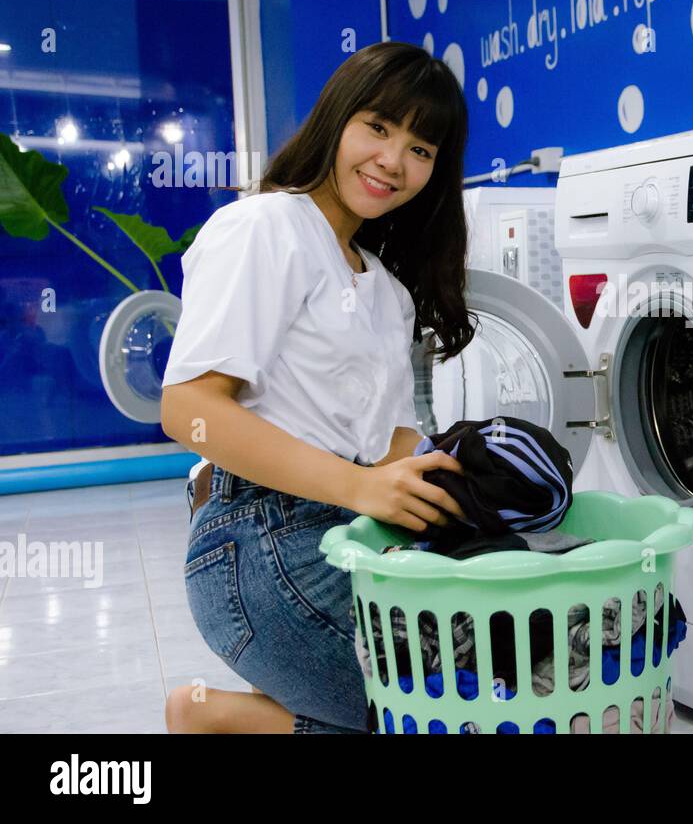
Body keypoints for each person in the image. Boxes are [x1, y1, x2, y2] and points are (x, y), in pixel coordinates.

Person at [160, 41, 475, 733]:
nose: (394, 160)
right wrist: (358, 486)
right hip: (256, 543)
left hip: (347, 530)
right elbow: (188, 411)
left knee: (480, 678)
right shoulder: (265, 228)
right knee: (448, 710)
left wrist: (467, 488)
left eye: (422, 149)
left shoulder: (384, 288)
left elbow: (389, 441)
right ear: (336, 118)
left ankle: (224, 720)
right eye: (380, 127)